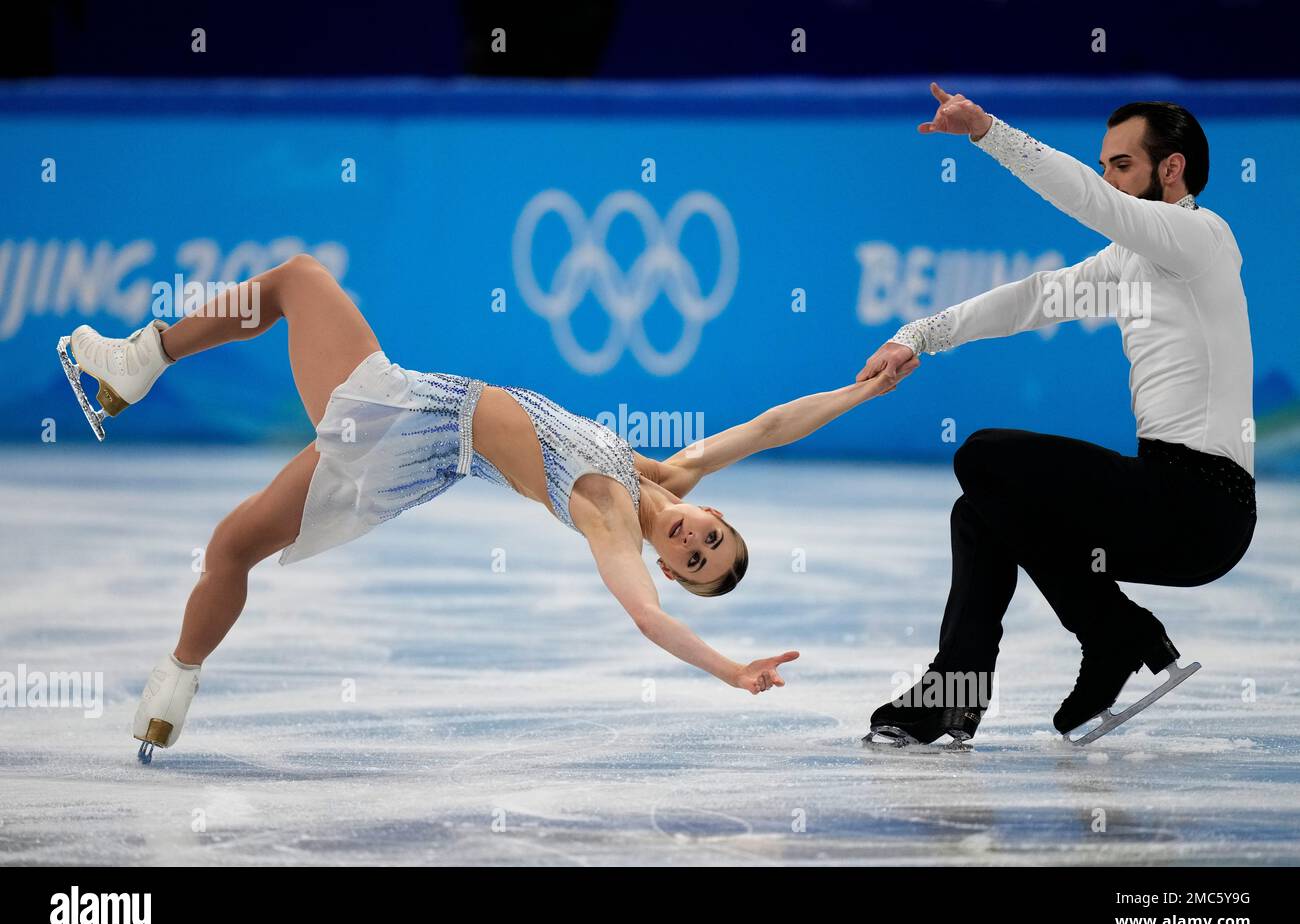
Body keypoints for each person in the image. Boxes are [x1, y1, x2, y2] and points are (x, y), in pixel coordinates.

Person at [57, 253, 919, 762]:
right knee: (234, 544)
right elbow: (770, 427)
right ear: (718, 517)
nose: (697, 542)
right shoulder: (668, 476)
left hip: (410, 417)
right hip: (419, 451)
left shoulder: (609, 516)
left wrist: (731, 670)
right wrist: (863, 390)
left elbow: (649, 622)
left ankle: (140, 359)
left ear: (670, 568)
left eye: (695, 563)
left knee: (294, 281)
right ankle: (173, 685)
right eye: (715, 540)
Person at [857, 83, 1256, 746]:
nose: (1106, 177)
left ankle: (1113, 630)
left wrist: (988, 131)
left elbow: (1088, 201)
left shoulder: (1200, 236)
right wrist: (919, 334)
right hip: (1161, 498)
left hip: (1205, 507)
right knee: (980, 510)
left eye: (1121, 164)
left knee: (985, 456)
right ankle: (955, 692)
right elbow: (1035, 298)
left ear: (1173, 168)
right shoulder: (1135, 260)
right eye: (1103, 164)